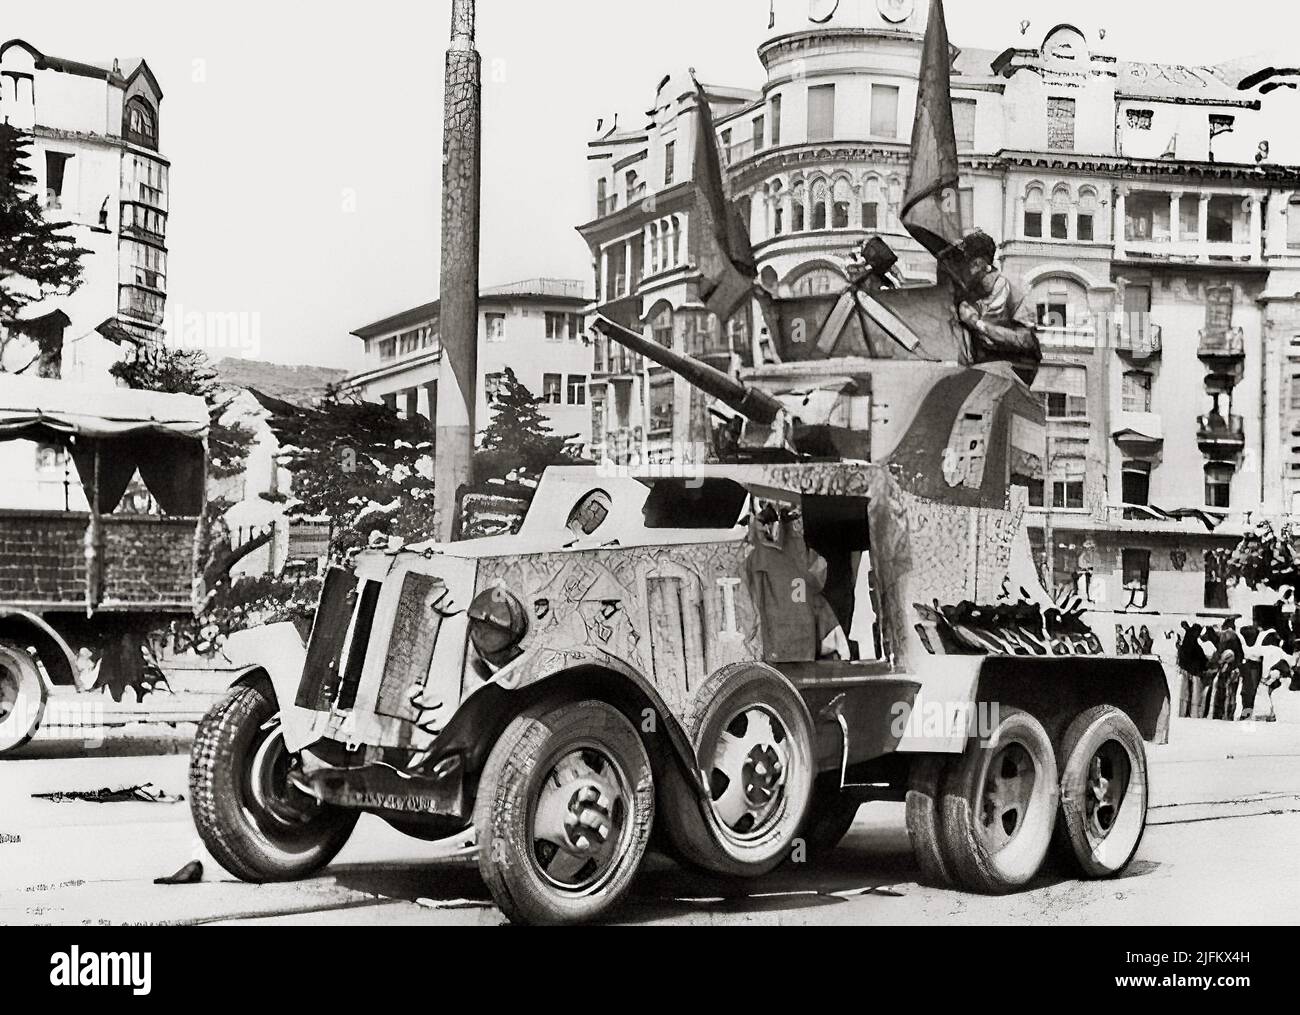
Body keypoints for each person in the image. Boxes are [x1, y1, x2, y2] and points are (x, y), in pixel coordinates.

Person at [954, 230, 1042, 384]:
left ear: (978, 264)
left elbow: (1026, 341)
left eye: (962, 265)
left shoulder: (1012, 292)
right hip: (972, 374)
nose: (959, 271)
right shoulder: (965, 295)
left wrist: (977, 324)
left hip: (1008, 377)